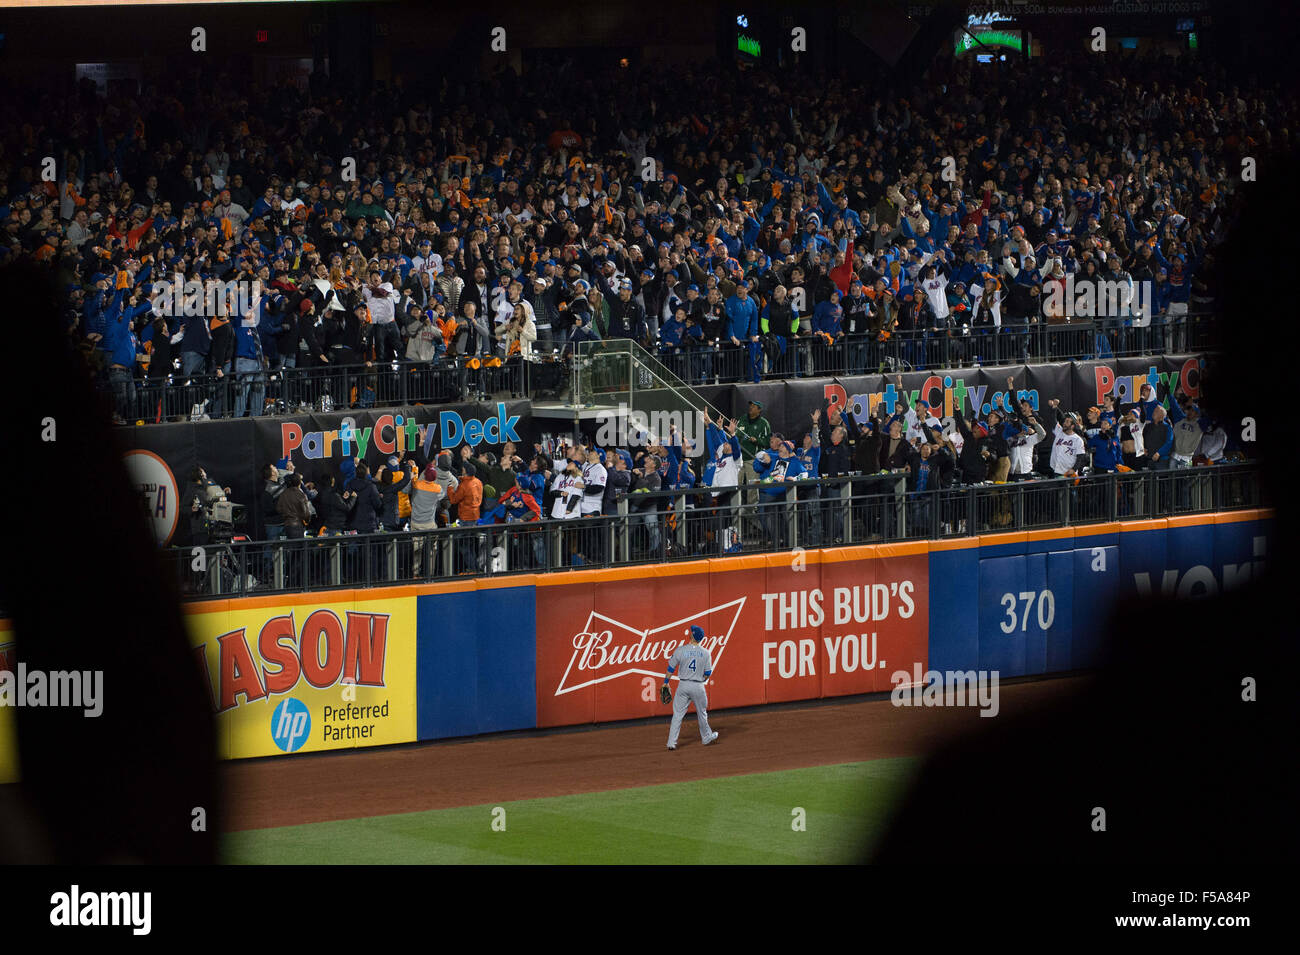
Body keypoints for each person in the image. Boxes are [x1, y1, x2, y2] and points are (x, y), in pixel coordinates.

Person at [663, 625, 719, 751]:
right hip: (698, 686)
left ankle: (671, 743)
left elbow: (671, 668)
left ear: (692, 636)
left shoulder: (680, 650)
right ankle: (706, 737)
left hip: (683, 685)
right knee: (702, 713)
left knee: (677, 715)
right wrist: (701, 680)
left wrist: (666, 682)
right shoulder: (706, 653)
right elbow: (708, 673)